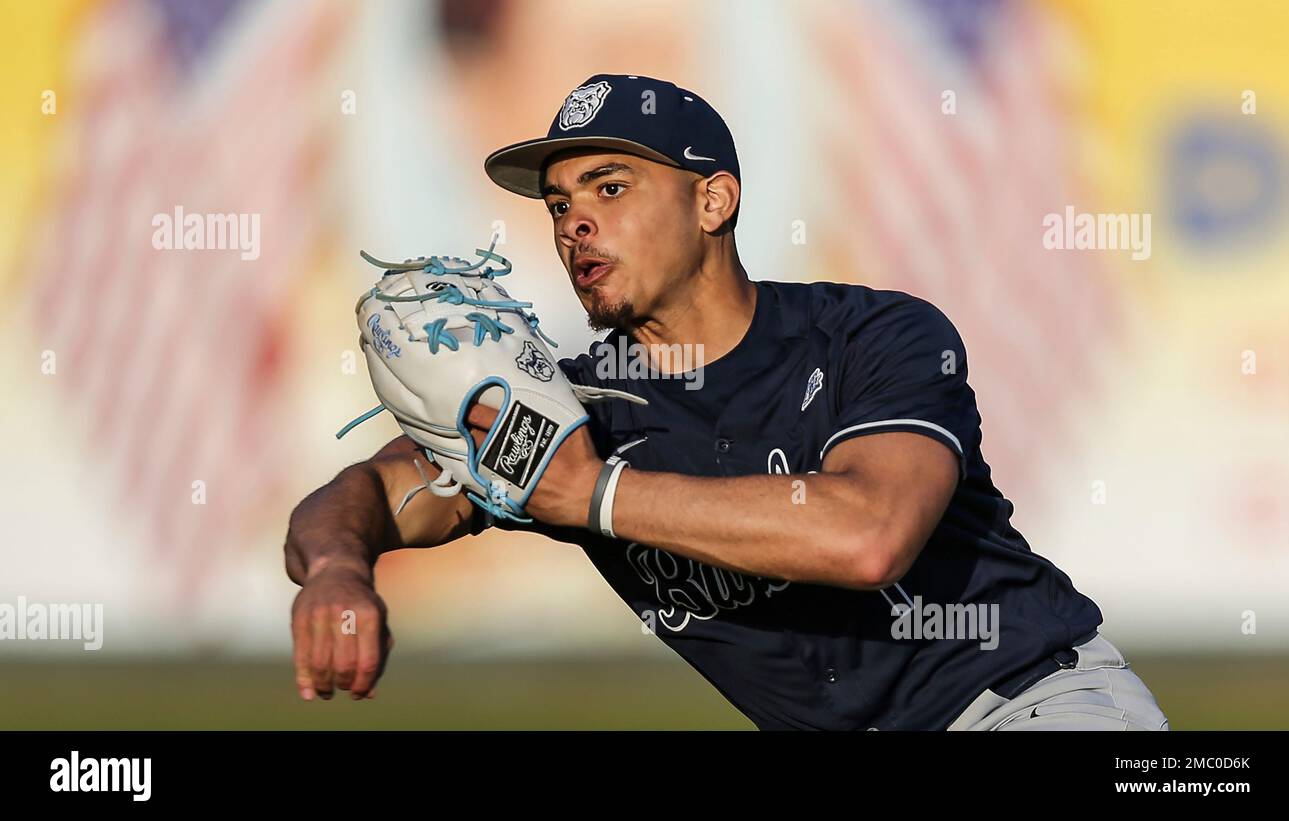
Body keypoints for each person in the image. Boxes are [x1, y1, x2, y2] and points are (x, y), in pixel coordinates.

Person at [284, 74, 1170, 730]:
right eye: (559, 203)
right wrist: (335, 565)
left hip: (1030, 703)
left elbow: (869, 537)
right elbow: (359, 496)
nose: (573, 223)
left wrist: (594, 496)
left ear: (714, 200)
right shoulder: (576, 411)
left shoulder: (873, 335)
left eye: (611, 186)